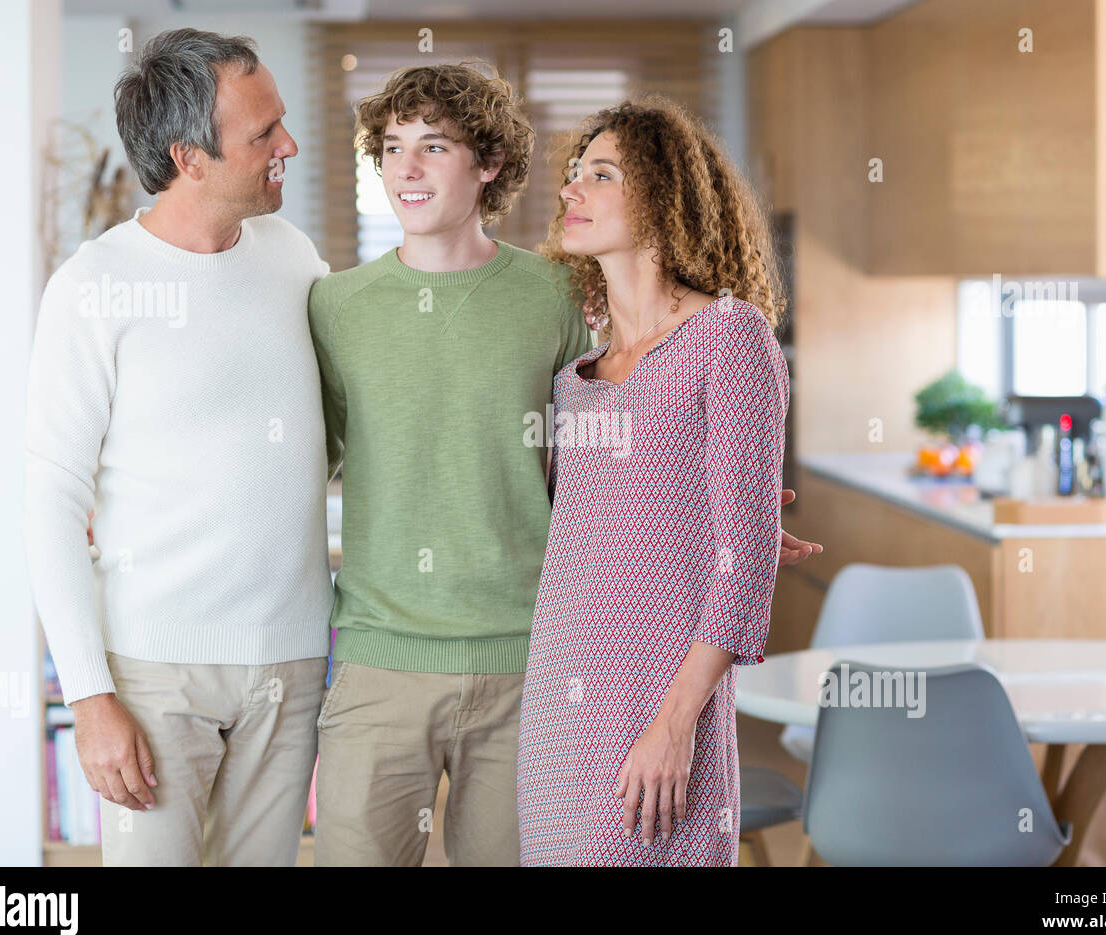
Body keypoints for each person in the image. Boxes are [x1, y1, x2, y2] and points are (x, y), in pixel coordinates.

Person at [308, 64, 820, 867]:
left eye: (433, 145)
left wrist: (737, 531)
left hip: (541, 662)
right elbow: (595, 481)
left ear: (487, 165)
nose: (406, 167)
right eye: (392, 147)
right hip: (439, 661)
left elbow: (695, 492)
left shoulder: (582, 304)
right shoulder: (338, 307)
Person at [23, 29, 332, 866]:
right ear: (188, 157)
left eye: (282, 123)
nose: (288, 147)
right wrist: (91, 699)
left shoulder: (298, 259)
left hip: (291, 661)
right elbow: (51, 498)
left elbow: (331, 434)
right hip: (155, 673)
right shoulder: (93, 287)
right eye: (261, 134)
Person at [517, 95, 807, 865]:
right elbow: (595, 531)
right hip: (558, 691)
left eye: (601, 175)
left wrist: (676, 723)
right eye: (574, 176)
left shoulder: (729, 336)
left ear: (664, 193)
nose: (572, 191)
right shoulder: (574, 378)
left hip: (663, 698)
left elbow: (742, 564)